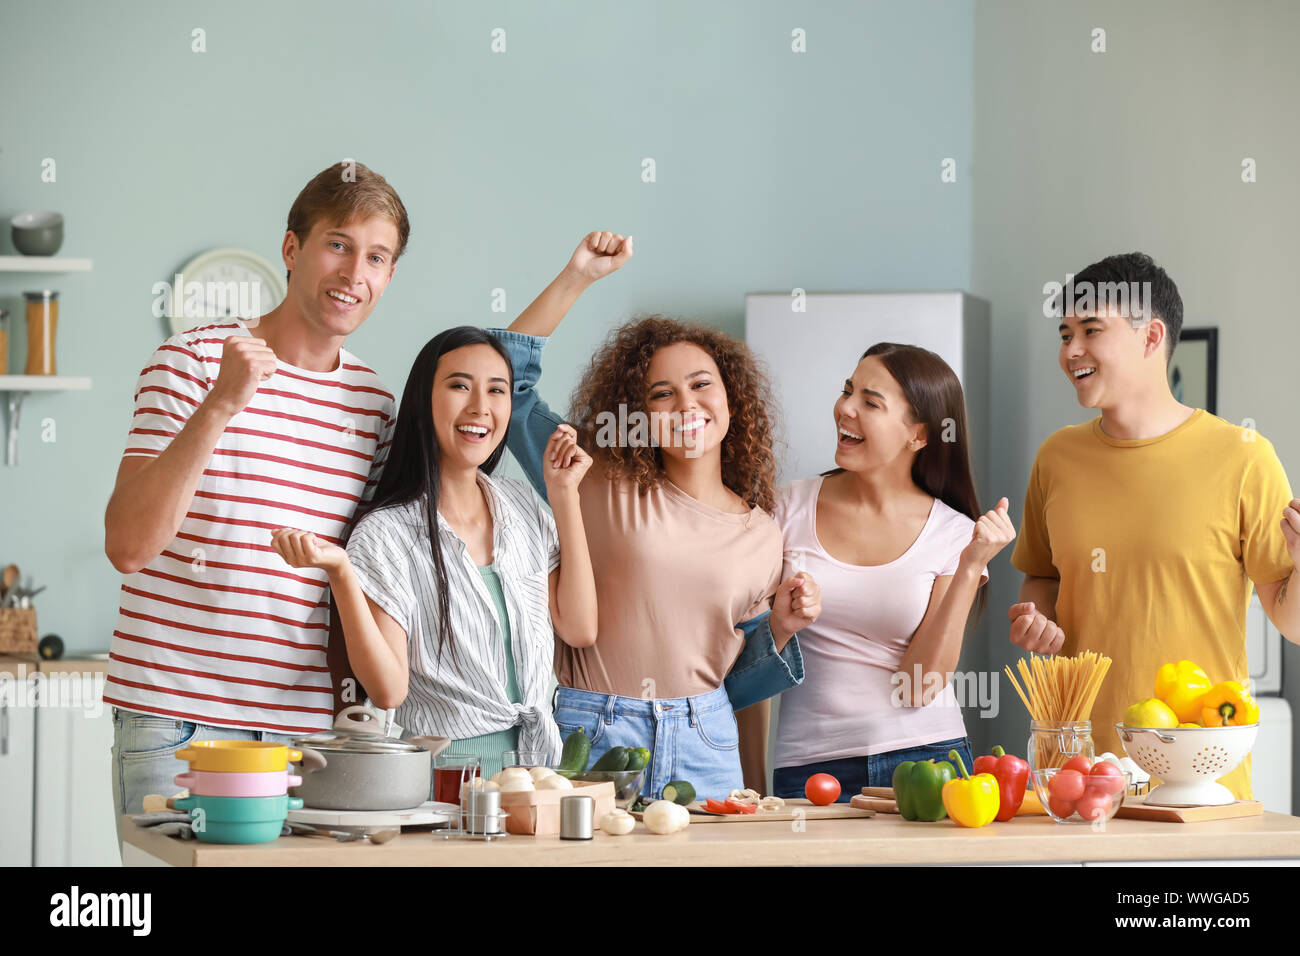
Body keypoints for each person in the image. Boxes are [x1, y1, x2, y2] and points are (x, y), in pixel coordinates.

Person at [103, 162, 407, 844]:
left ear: (388, 276)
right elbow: (127, 544)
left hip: (306, 734)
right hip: (176, 718)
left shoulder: (375, 408)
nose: (354, 272)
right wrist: (222, 404)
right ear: (293, 249)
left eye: (377, 257)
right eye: (338, 244)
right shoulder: (188, 363)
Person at [490, 231, 822, 800]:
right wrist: (579, 276)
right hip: (594, 734)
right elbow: (509, 385)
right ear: (636, 412)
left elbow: (737, 685)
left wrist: (782, 630)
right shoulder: (593, 476)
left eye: (701, 385)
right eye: (662, 394)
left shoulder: (762, 536)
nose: (686, 405)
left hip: (708, 741)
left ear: (732, 400)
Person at [1010, 251, 1300, 799]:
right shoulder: (1056, 457)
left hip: (1199, 774)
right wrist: (1037, 620)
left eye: (1092, 330)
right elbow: (1042, 579)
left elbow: (1294, 622)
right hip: (1077, 769)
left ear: (1151, 338)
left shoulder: (1243, 457)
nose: (1071, 351)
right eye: (1065, 332)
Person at [270, 327, 598, 779]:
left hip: (538, 772)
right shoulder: (385, 535)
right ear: (425, 401)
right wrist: (342, 573)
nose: (480, 407)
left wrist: (564, 498)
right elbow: (388, 692)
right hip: (444, 778)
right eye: (460, 385)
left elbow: (579, 628)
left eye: (496, 390)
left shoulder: (523, 507)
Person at [769, 343, 1014, 800]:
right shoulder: (785, 508)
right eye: (848, 391)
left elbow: (921, 685)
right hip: (811, 766)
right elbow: (747, 645)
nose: (845, 408)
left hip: (927, 757)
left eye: (870, 402)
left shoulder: (953, 533)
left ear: (918, 435)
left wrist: (970, 567)